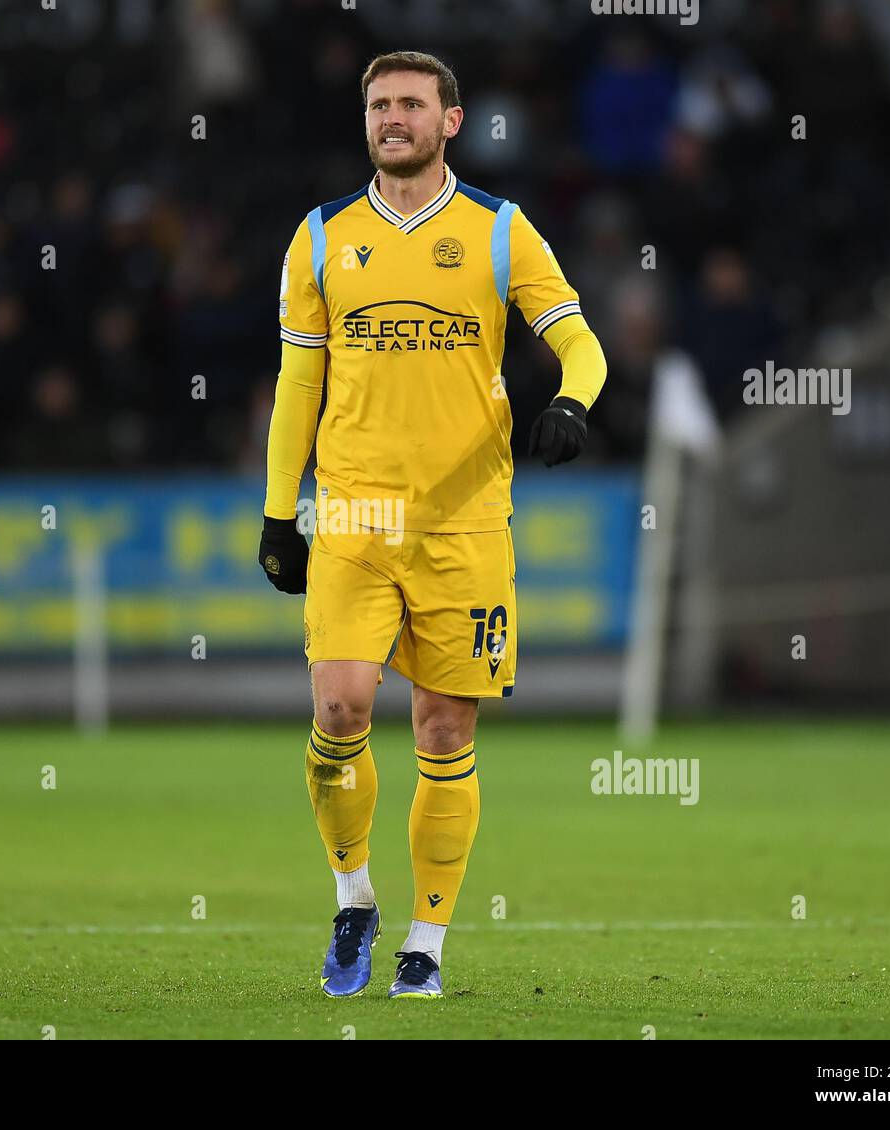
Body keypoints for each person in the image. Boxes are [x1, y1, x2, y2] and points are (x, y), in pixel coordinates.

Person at [258, 51, 607, 999]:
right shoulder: (322, 238)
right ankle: (353, 896)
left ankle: (426, 945)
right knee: (339, 709)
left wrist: (572, 402)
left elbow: (579, 339)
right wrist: (278, 511)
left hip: (465, 525)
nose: (392, 118)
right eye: (379, 105)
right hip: (356, 516)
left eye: (412, 103)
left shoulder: (500, 231)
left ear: (451, 121)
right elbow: (299, 384)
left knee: (445, 731)